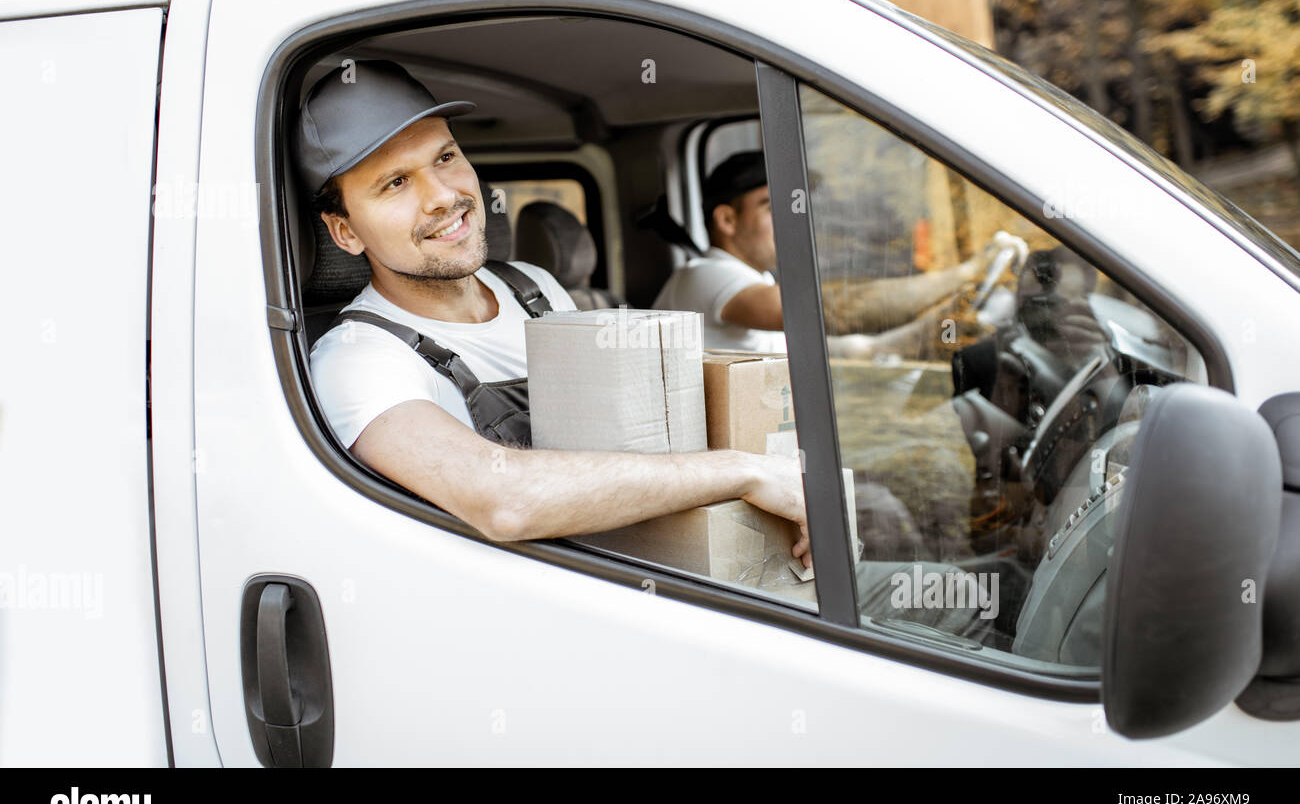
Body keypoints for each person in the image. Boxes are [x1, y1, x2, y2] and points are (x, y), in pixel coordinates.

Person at [299, 60, 811, 565]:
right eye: (394, 183)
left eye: (445, 157)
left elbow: (620, 444)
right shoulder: (357, 360)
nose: (443, 196)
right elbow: (504, 501)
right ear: (344, 230)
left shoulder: (533, 287)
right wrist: (747, 472)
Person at [652, 150, 1025, 355]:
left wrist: (943, 321)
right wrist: (965, 272)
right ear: (727, 220)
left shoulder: (754, 284)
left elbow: (859, 349)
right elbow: (830, 310)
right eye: (771, 207)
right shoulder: (703, 276)